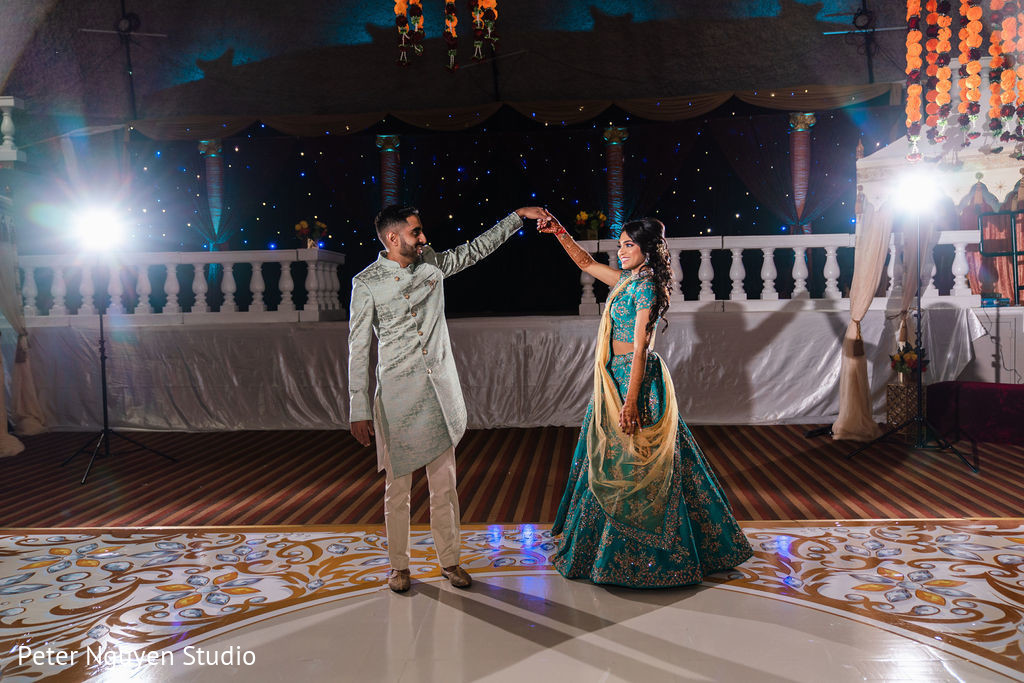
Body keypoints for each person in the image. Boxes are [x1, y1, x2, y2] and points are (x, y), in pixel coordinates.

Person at [349, 204, 553, 592]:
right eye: (416, 233)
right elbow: (358, 349)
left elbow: (477, 249)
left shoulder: (432, 264)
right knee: (398, 489)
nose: (423, 238)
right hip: (396, 400)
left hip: (438, 396)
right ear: (393, 239)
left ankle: (450, 561)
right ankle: (398, 567)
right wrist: (358, 408)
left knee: (444, 485)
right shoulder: (368, 282)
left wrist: (516, 218)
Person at [540, 215, 753, 587]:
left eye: (628, 245)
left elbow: (640, 350)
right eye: (620, 244)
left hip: (633, 382)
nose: (620, 251)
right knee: (607, 457)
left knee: (642, 461)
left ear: (647, 250)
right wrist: (559, 230)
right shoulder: (626, 281)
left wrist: (631, 402)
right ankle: (601, 552)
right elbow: (586, 263)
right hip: (611, 380)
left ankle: (663, 557)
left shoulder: (646, 288)